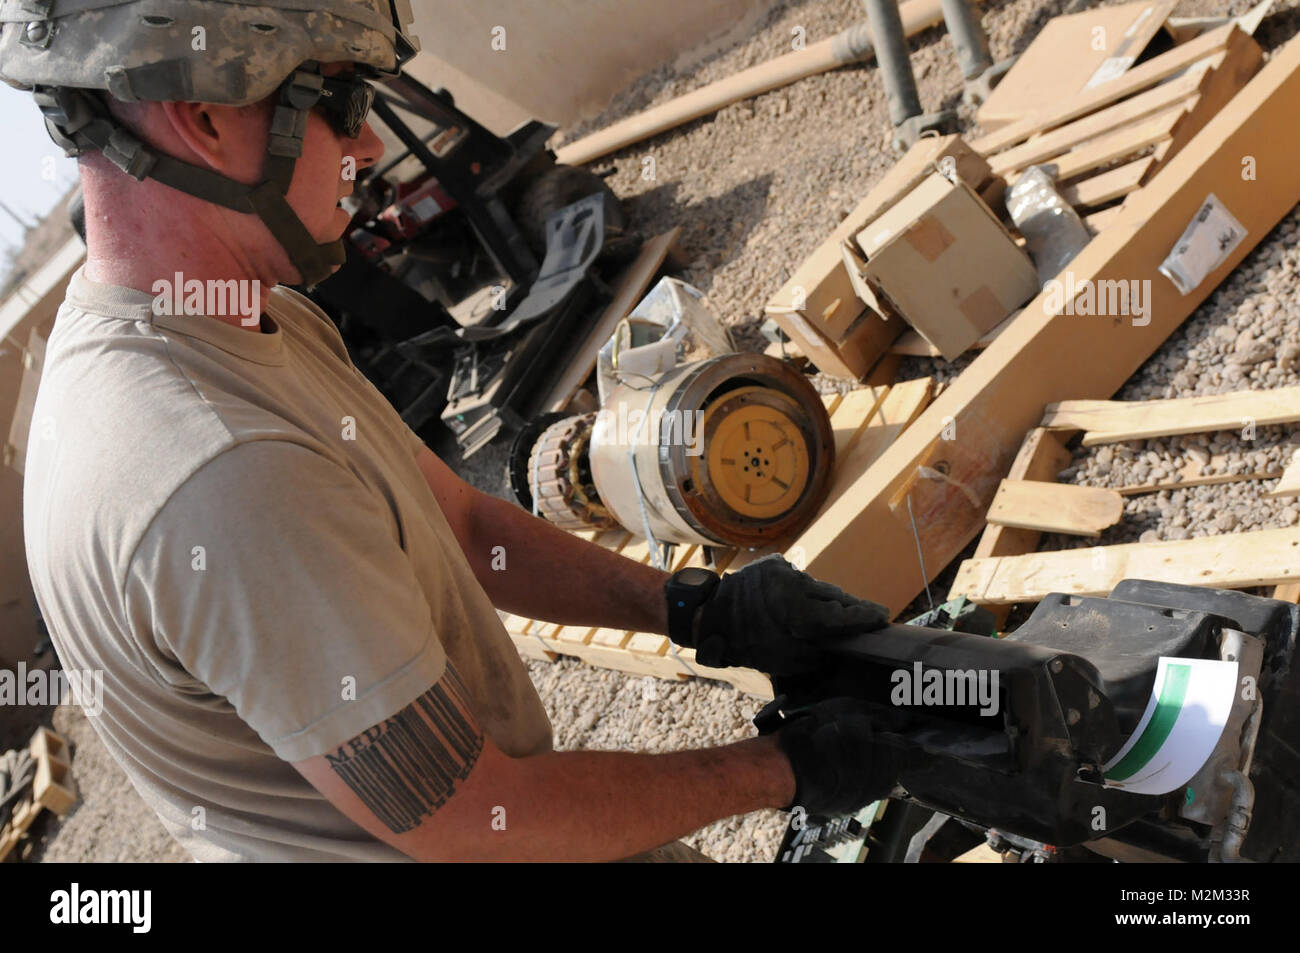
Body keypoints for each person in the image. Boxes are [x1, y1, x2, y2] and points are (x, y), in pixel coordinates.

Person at [5, 0, 896, 862]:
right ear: (202, 118)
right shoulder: (216, 471)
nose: (367, 146)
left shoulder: (239, 315)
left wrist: (694, 610)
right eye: (342, 96)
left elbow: (461, 526)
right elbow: (480, 824)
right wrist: (786, 767)